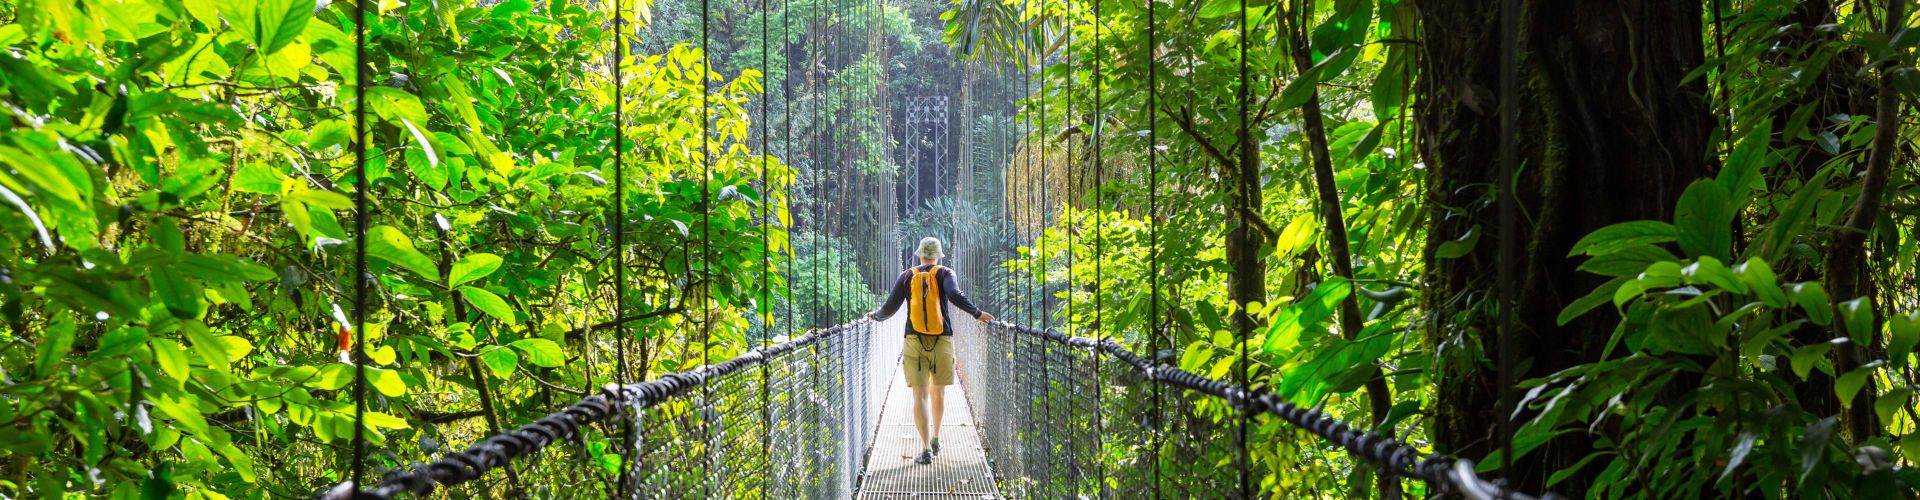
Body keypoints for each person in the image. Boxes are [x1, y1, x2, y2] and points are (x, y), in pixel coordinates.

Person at [867, 237, 994, 465]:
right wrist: (976, 313)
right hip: (942, 339)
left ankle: (925, 449)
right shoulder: (945, 273)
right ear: (938, 256)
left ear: (919, 255)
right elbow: (954, 296)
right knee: (939, 392)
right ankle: (936, 438)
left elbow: (890, 307)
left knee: (920, 395)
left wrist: (875, 316)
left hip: (914, 339)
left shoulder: (907, 276)